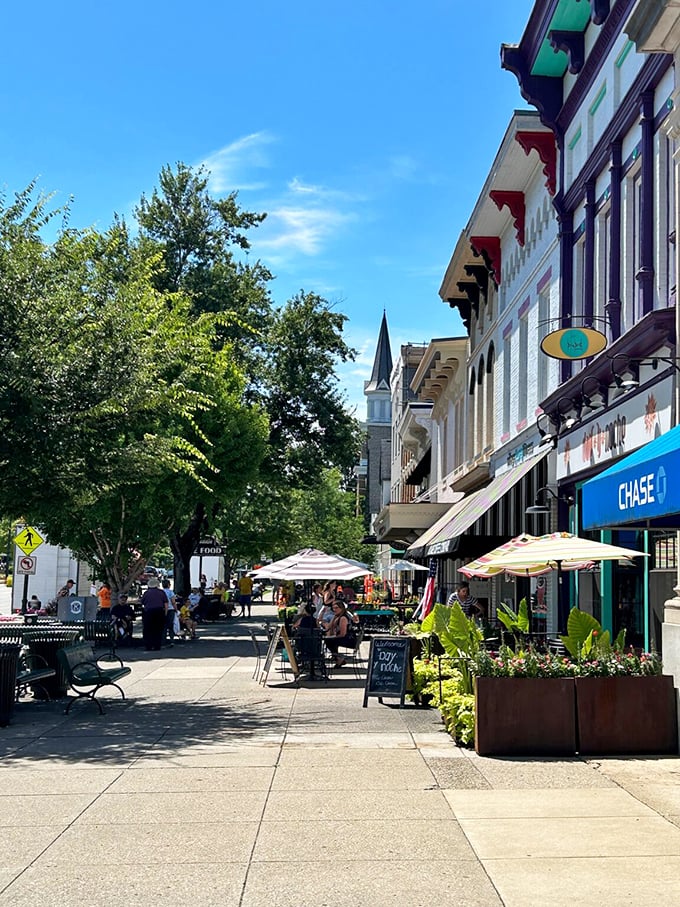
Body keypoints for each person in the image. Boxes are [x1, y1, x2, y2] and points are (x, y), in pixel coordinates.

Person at [323, 601, 354, 668]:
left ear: (341, 608)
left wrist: (333, 636)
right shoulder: (336, 617)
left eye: (336, 608)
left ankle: (338, 658)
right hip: (342, 637)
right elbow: (328, 627)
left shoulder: (343, 618)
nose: (334, 610)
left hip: (348, 639)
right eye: (333, 608)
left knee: (330, 641)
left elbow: (343, 634)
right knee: (328, 640)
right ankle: (338, 658)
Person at [141, 576, 167, 651]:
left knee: (148, 629)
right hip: (159, 611)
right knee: (158, 629)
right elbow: (165, 603)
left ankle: (148, 645)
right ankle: (157, 646)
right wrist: (165, 613)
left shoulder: (146, 593)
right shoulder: (161, 592)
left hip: (149, 612)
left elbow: (142, 602)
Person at [162, 579, 177, 644]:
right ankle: (171, 639)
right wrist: (176, 609)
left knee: (164, 625)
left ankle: (163, 640)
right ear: (169, 585)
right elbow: (173, 602)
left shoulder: (161, 592)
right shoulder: (171, 592)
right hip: (170, 609)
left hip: (163, 610)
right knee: (171, 625)